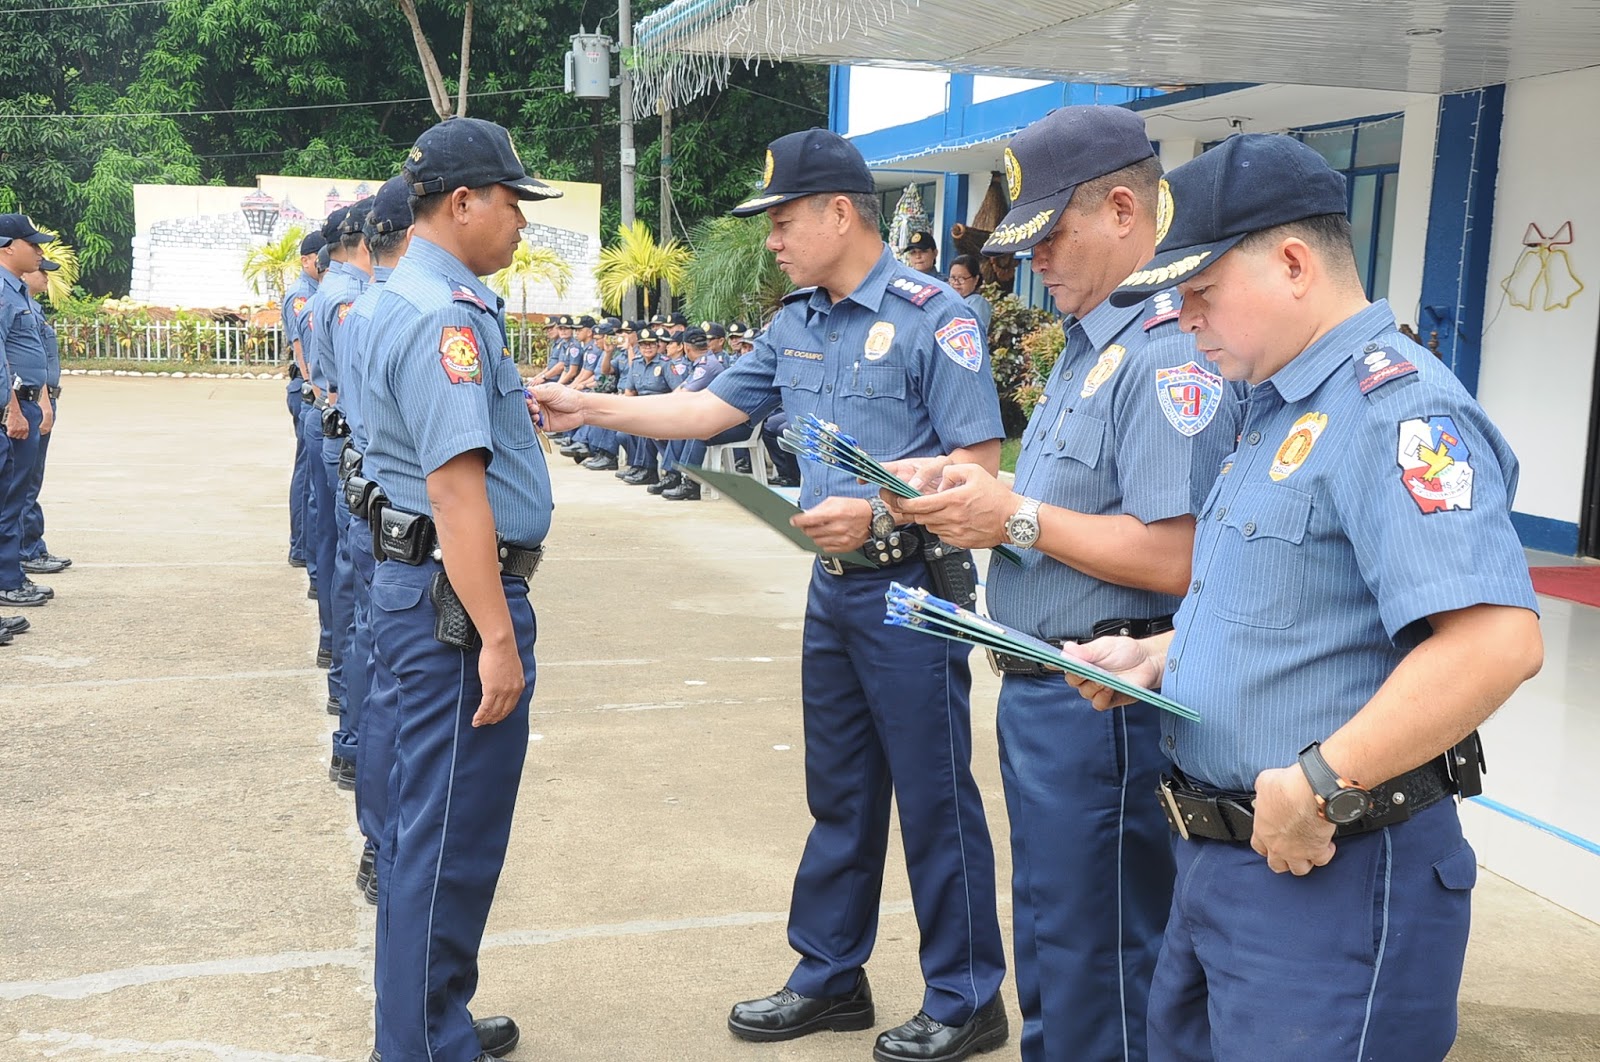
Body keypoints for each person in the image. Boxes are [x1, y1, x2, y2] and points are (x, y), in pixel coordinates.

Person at [1062, 133, 1543, 1061]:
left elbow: (1495, 644)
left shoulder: (1397, 412)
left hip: (1333, 870)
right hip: (1222, 860)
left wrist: (1322, 782)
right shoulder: (1274, 408)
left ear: (1292, 263)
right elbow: (1298, 604)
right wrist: (1160, 655)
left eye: (1201, 293)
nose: (1186, 321)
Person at [533, 127, 1010, 1062]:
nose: (773, 240)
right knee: (838, 791)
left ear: (841, 212)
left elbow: (979, 467)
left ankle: (966, 994)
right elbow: (708, 409)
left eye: (784, 220)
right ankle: (831, 973)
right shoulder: (797, 321)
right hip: (834, 593)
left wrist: (880, 513)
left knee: (934, 797)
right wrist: (588, 405)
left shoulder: (931, 317)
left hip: (913, 593)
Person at [884, 105, 1243, 1062]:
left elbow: (1179, 557)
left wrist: (1019, 519)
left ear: (1124, 209)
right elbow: (1074, 504)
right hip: (1050, 691)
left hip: (1108, 701)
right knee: (1053, 949)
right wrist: (980, 488)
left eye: (1050, 235)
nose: (1032, 260)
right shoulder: (1091, 343)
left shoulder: (1167, 353)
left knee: (1105, 966)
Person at [358, 116, 557, 1062]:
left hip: (413, 591)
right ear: (464, 202)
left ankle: (429, 1019)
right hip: (455, 608)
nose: (522, 220)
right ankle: (425, 1045)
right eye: (513, 201)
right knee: (450, 840)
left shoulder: (387, 299)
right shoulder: (448, 318)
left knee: (418, 828)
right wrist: (500, 640)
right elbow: (454, 489)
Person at [311, 198, 374, 788]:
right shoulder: (351, 298)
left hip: (342, 434)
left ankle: (346, 713)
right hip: (358, 443)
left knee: (344, 571)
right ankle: (352, 734)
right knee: (362, 600)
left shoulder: (336, 292)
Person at [0, 214, 56, 609]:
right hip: (14, 409)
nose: (38, 251)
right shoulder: (3, 293)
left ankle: (11, 576)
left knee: (16, 496)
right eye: (31, 244)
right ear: (7, 247)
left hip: (28, 403)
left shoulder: (16, 291)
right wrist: (13, 410)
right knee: (9, 498)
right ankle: (7, 581)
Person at [19, 259, 70, 575]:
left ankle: (32, 546)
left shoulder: (32, 308)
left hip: (43, 398)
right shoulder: (17, 307)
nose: (46, 277)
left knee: (31, 480)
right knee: (25, 481)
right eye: (42, 271)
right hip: (34, 399)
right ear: (24, 274)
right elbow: (21, 364)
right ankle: (27, 550)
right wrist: (44, 403)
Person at [283, 231, 326, 570]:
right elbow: (303, 354)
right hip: (307, 391)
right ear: (306, 260)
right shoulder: (303, 297)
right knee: (307, 473)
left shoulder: (318, 294)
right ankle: (300, 545)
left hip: (310, 390)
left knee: (310, 473)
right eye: (319, 256)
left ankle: (302, 546)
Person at [946, 254, 991, 336]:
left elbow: (970, 333)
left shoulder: (977, 302)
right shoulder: (948, 299)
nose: (956, 283)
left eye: (961, 278)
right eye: (953, 278)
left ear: (976, 279)